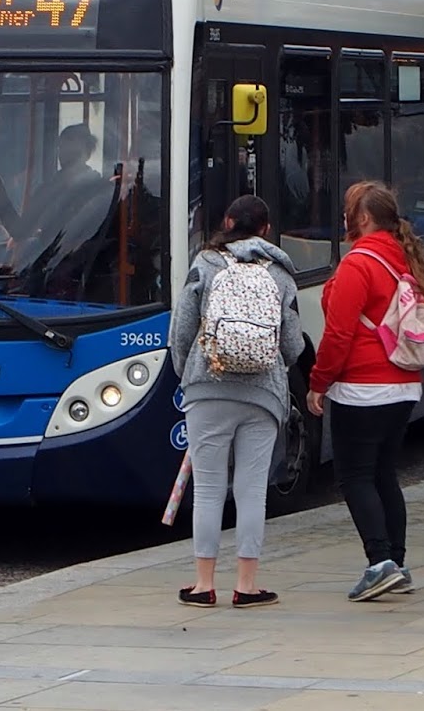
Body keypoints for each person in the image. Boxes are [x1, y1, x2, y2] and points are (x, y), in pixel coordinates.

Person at [307, 181, 424, 602]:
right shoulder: (404, 259)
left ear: (362, 218)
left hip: (363, 388)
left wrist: (318, 383)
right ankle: (397, 563)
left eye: (348, 211)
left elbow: (339, 333)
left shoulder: (358, 264)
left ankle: (379, 563)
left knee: (355, 476)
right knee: (384, 474)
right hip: (404, 387)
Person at [169, 195, 303, 608]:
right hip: (262, 395)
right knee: (250, 489)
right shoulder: (281, 273)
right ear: (266, 229)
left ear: (227, 222)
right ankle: (246, 586)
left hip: (207, 389)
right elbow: (293, 345)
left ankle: (202, 585)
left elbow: (181, 332)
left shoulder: (204, 266)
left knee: (209, 488)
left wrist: (189, 373)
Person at [0, 123, 107, 245]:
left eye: (75, 156)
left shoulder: (103, 191)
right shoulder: (47, 191)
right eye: (62, 148)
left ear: (88, 154)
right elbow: (20, 232)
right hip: (51, 262)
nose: (64, 154)